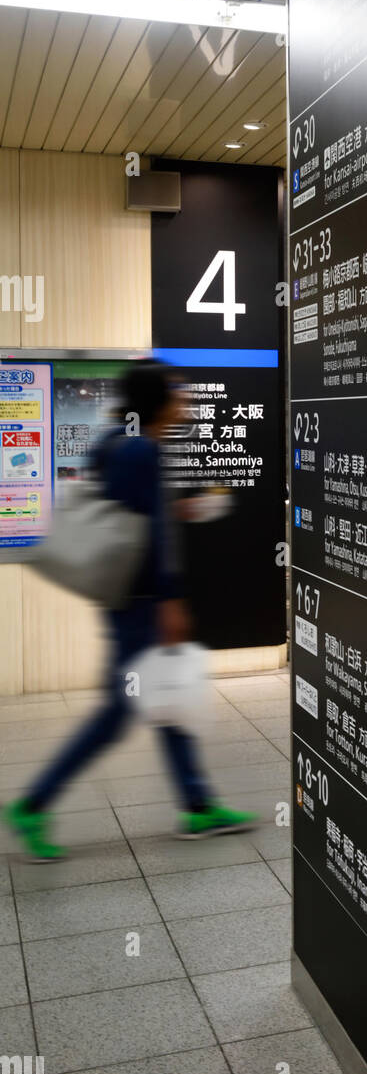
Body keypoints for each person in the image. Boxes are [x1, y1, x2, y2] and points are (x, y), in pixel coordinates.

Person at [4, 360, 257, 862]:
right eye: (177, 392)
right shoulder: (141, 449)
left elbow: (127, 518)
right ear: (158, 400)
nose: (185, 400)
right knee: (120, 712)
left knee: (168, 698)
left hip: (125, 597)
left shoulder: (114, 440)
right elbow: (149, 538)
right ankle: (33, 805)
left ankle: (197, 803)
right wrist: (171, 601)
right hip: (141, 603)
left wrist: (174, 509)